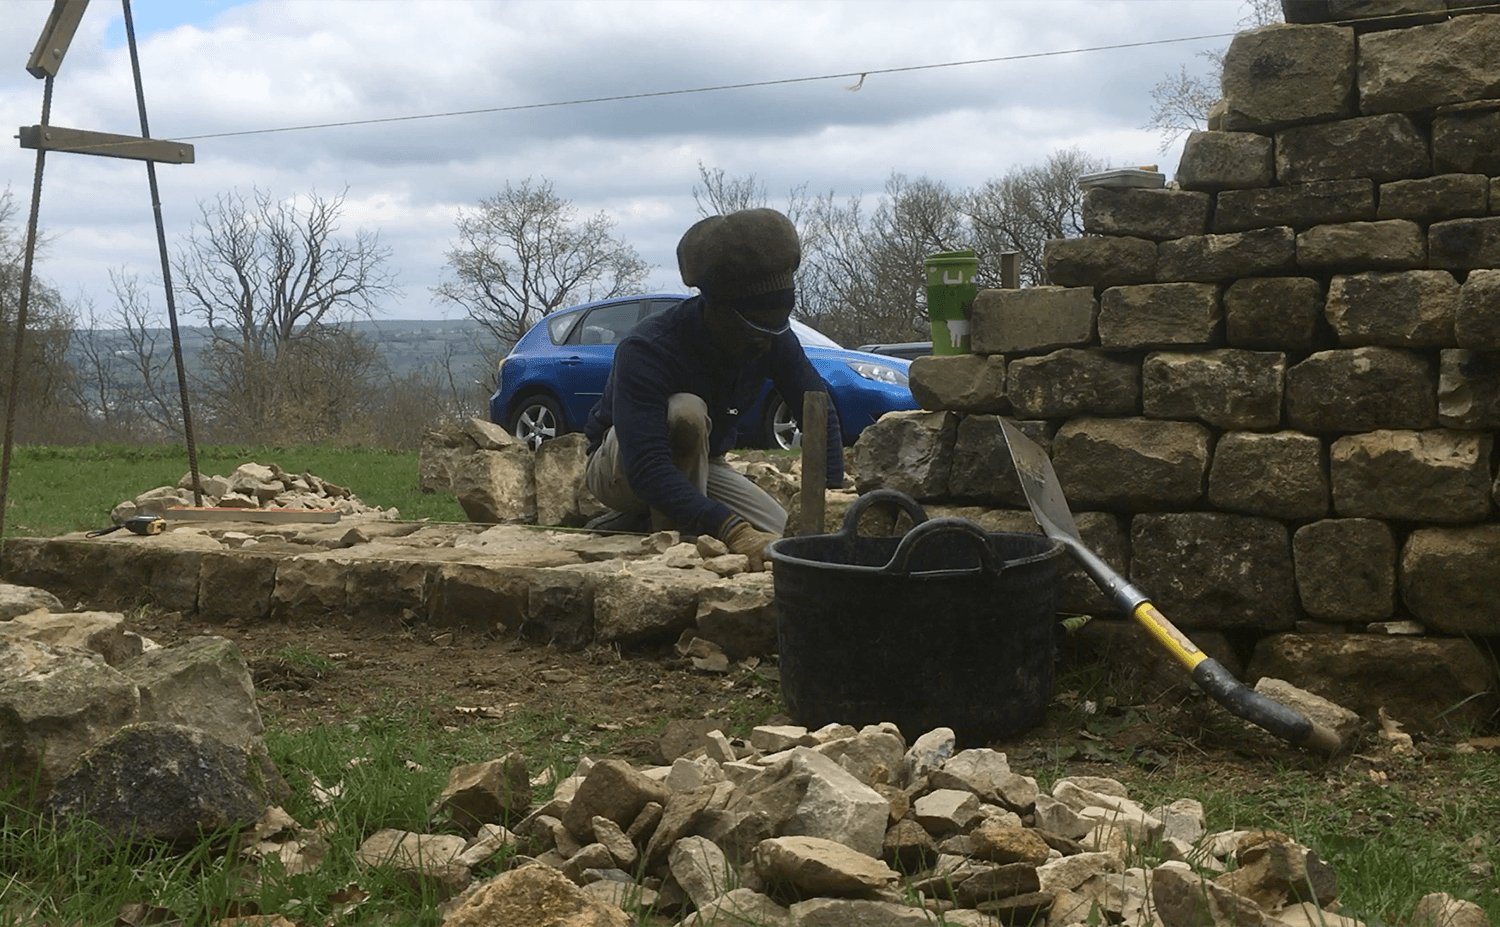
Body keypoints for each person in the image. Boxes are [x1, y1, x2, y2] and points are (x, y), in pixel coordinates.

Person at [583, 207, 843, 569]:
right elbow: (647, 465)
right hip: (623, 467)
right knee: (685, 412)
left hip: (704, 464)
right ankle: (669, 539)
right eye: (755, 329)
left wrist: (828, 493)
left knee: (785, 537)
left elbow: (816, 408)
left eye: (773, 330)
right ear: (717, 310)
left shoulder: (773, 337)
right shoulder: (650, 348)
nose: (764, 343)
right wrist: (732, 531)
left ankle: (651, 520)